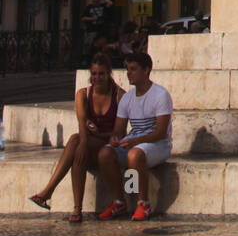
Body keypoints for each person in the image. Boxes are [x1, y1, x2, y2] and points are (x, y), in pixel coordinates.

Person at [29, 55, 123, 223]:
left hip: (108, 147)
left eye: (101, 74)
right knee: (77, 143)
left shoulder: (119, 95)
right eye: (94, 74)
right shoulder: (83, 94)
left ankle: (53, 194)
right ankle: (73, 207)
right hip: (89, 143)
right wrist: (85, 141)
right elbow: (81, 123)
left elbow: (117, 133)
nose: (97, 78)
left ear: (109, 74)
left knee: (76, 142)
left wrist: (93, 136)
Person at [96, 53, 172, 222]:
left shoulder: (160, 95)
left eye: (133, 69)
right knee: (105, 154)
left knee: (134, 154)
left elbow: (160, 132)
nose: (129, 73)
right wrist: (115, 139)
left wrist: (134, 142)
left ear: (146, 70)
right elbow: (119, 129)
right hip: (135, 141)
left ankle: (142, 202)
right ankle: (118, 201)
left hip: (158, 144)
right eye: (127, 69)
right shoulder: (127, 98)